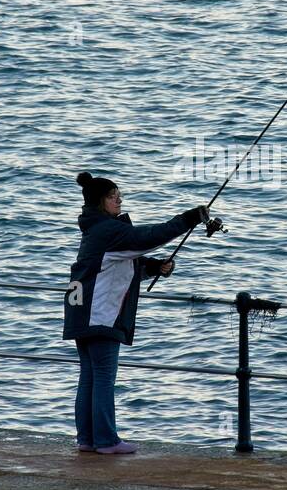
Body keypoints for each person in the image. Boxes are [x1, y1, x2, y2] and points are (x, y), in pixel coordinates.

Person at [63, 171, 208, 455]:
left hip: (81, 313)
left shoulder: (97, 230)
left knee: (90, 377)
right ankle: (106, 441)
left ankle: (88, 439)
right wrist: (189, 218)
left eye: (119, 194)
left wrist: (153, 268)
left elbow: (112, 267)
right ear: (99, 201)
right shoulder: (109, 231)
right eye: (112, 195)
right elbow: (149, 237)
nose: (119, 199)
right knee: (103, 377)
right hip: (100, 315)